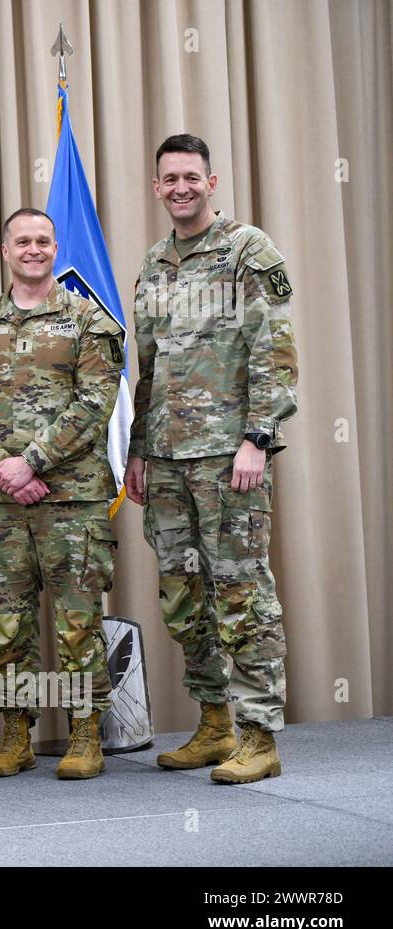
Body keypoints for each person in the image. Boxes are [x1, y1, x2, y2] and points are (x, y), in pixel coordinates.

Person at [124, 134, 299, 784]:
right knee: (183, 596)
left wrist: (257, 437)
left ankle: (260, 736)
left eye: (191, 177)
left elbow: (274, 349)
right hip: (167, 462)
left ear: (212, 181)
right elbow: (150, 368)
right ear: (156, 187)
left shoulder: (247, 250)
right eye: (169, 178)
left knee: (242, 593)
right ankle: (215, 722)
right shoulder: (154, 263)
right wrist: (140, 449)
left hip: (229, 458)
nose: (180, 187)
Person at [0, 208, 124, 780]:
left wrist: (33, 462)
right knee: (8, 623)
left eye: (43, 241)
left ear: (55, 248)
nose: (33, 249)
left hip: (72, 499)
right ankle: (15, 733)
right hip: (2, 502)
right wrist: (4, 467)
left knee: (78, 623)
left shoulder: (87, 322)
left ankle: (85, 734)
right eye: (22, 241)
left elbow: (96, 403)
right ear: (4, 250)